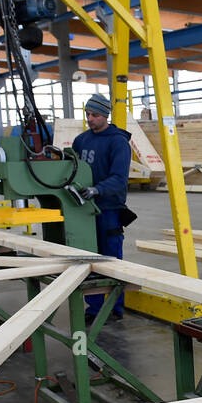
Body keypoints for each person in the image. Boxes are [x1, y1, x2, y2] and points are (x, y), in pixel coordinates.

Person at [72, 93, 133, 319]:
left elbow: (119, 178)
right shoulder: (81, 140)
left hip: (108, 209)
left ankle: (115, 309)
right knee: (89, 259)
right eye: (88, 114)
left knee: (110, 259)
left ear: (105, 115)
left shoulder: (117, 142)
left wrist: (97, 189)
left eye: (95, 115)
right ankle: (95, 308)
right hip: (84, 210)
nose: (90, 119)